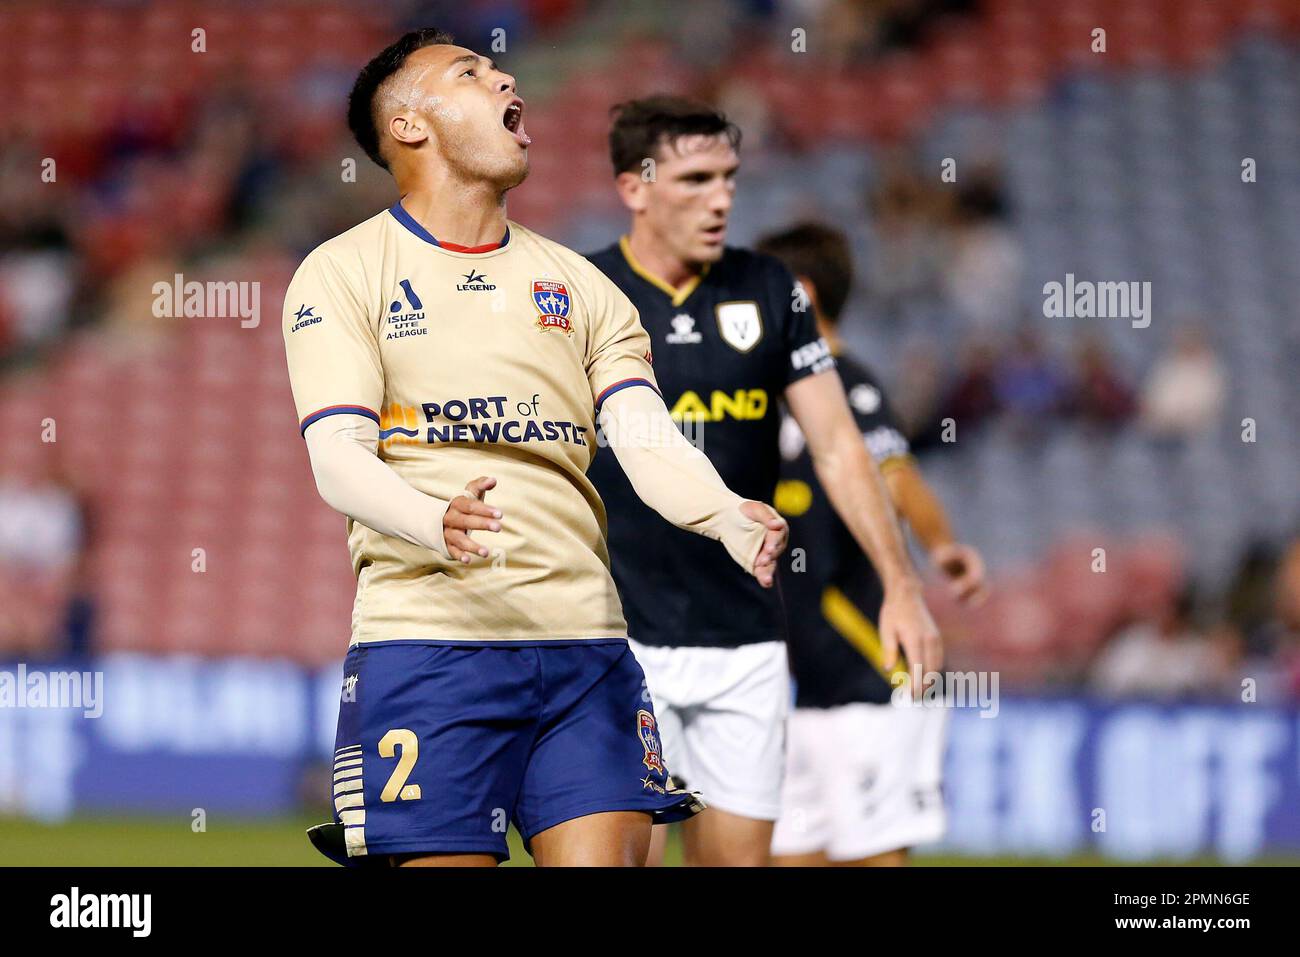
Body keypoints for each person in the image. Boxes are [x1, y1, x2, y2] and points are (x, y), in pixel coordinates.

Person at [282, 30, 788, 868]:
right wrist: (428, 515)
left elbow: (642, 434)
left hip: (586, 647)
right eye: (470, 73)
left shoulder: (586, 288)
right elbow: (338, 456)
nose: (504, 75)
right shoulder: (342, 274)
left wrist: (726, 515)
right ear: (410, 125)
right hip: (429, 647)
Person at [586, 97, 941, 866]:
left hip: (743, 642)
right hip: (619, 638)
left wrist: (902, 584)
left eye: (729, 178)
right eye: (695, 179)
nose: (721, 198)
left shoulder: (770, 291)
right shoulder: (584, 292)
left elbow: (841, 446)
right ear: (634, 187)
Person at [757, 222, 987, 866]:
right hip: (796, 682)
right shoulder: (769, 397)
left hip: (868, 670)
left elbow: (897, 475)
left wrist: (941, 545)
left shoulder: (849, 386)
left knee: (873, 855)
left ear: (798, 294)